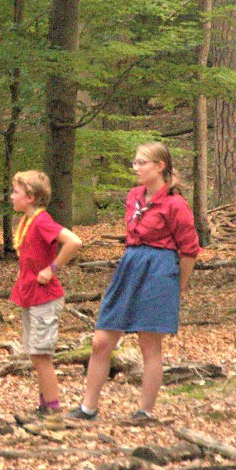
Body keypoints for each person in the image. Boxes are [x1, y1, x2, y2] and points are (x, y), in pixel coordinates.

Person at [67, 142, 199, 423]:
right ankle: (88, 408)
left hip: (159, 271)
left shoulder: (175, 204)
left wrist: (178, 285)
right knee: (101, 341)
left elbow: (190, 249)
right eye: (135, 163)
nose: (135, 168)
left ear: (160, 167)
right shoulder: (133, 196)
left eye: (142, 163)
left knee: (149, 344)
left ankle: (145, 411)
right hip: (130, 266)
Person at [8, 170, 82, 417]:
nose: (11, 197)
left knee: (42, 356)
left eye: (16, 192)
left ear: (30, 197)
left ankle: (52, 410)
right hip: (31, 295)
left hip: (45, 298)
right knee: (34, 352)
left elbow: (74, 241)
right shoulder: (27, 221)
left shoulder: (42, 221)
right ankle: (44, 405)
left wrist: (52, 269)